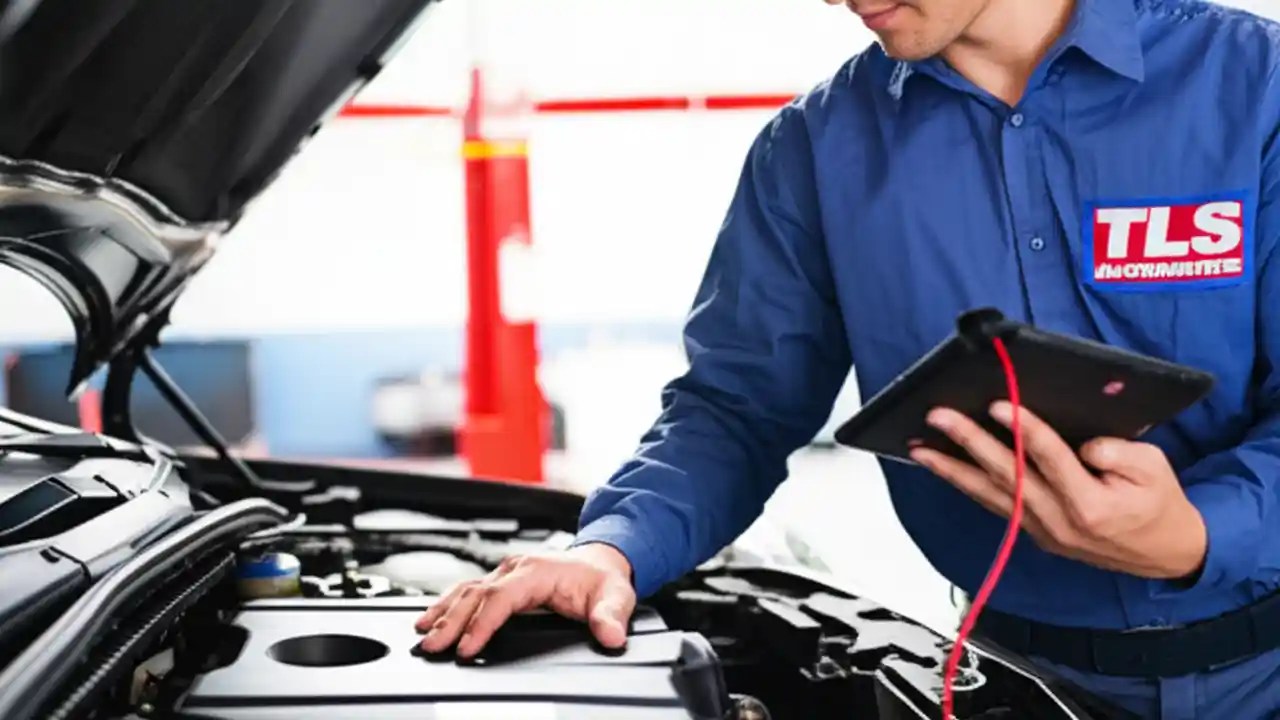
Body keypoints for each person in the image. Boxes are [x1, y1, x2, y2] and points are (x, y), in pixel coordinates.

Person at [416, 0, 1280, 716]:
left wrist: (1202, 534)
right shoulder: (816, 151)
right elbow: (737, 408)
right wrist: (610, 550)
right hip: (1008, 684)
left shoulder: (1256, 88)